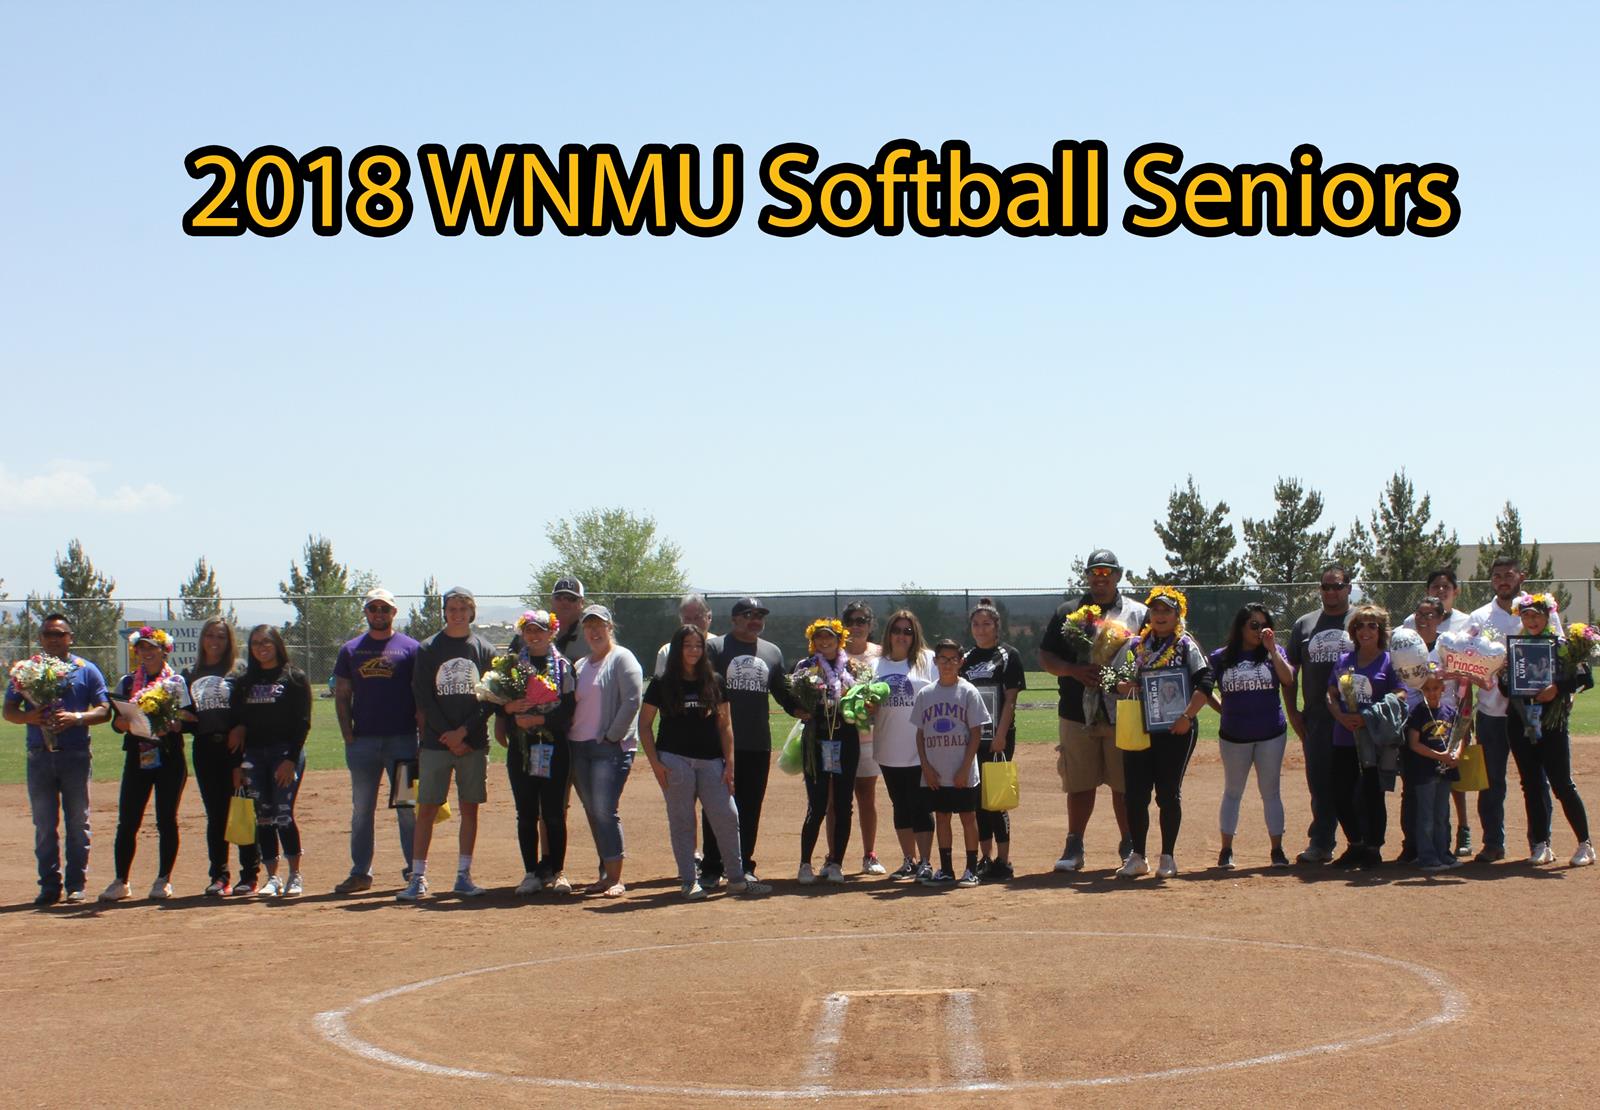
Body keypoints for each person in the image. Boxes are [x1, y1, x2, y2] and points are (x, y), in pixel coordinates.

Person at [639, 625, 772, 898]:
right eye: (687, 645)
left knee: (727, 815)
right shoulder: (662, 682)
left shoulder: (715, 680)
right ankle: (690, 881)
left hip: (711, 760)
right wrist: (656, 764)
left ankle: (736, 879)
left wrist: (730, 763)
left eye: (698, 646)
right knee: (683, 820)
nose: (693, 651)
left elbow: (725, 725)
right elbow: (644, 726)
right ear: (678, 648)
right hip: (675, 760)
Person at [1038, 550, 1146, 872]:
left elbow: (1145, 658)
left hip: (1122, 711)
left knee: (1124, 784)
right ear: (1087, 576)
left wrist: (1113, 680)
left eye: (1107, 573)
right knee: (1079, 783)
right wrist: (1073, 670)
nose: (1101, 579)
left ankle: (1130, 844)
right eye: (1094, 574)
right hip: (1076, 712)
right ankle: (1074, 846)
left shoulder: (1136, 613)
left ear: (1118, 575)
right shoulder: (1069, 612)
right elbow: (1046, 656)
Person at [4, 613, 112, 905]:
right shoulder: (26, 671)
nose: (53, 639)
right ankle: (49, 885)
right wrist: (31, 717)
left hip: (75, 754)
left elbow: (104, 710)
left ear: (70, 638)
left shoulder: (86, 670)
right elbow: (9, 710)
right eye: (48, 634)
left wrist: (76, 717)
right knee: (44, 824)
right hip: (39, 755)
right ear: (40, 639)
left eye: (59, 634)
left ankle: (76, 884)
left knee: (78, 822)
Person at [399, 587, 497, 902]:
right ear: (444, 612)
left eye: (462, 608)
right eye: (451, 608)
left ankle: (463, 876)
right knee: (425, 808)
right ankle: (418, 877)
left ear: (471, 612)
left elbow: (489, 698)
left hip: (473, 743)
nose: (456, 614)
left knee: (470, 808)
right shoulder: (429, 648)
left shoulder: (483, 649)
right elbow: (423, 697)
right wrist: (448, 735)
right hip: (436, 744)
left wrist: (464, 733)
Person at [700, 597, 802, 885]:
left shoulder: (772, 652)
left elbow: (782, 692)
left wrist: (803, 709)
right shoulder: (716, 648)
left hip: (757, 743)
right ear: (735, 619)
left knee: (750, 806)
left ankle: (744, 863)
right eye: (748, 615)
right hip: (719, 743)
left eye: (759, 615)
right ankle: (711, 866)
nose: (755, 620)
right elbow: (705, 687)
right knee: (716, 805)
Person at [1114, 587, 1213, 879]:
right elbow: (1117, 679)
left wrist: (1187, 717)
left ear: (1177, 615)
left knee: (1168, 793)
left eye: (1166, 611)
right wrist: (1121, 686)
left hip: (1175, 729)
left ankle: (1167, 856)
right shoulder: (1135, 645)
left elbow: (1205, 681)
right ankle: (1138, 856)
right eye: (1155, 610)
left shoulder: (1185, 645)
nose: (1160, 616)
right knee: (1134, 794)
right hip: (1140, 728)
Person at [1469, 555, 1556, 863]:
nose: (1502, 580)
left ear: (1522, 576)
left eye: (1508, 574)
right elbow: (1467, 658)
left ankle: (1540, 842)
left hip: (1533, 712)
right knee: (1491, 781)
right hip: (1493, 712)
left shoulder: (1541, 610)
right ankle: (1493, 842)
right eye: (1497, 576)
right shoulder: (1480, 617)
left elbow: (1558, 653)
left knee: (1535, 779)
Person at [332, 587, 420, 894]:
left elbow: (419, 695)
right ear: (366, 612)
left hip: (404, 740)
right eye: (373, 608)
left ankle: (415, 870)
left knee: (407, 808)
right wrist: (347, 733)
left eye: (384, 608)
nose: (379, 613)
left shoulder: (411, 648)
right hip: (364, 743)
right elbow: (342, 694)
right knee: (361, 809)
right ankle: (361, 872)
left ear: (394, 612)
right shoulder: (351, 650)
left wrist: (421, 733)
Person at [101, 627, 191, 901]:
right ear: (136, 651)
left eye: (153, 647)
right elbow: (116, 722)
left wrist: (173, 724)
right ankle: (121, 881)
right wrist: (122, 723)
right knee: (128, 820)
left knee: (166, 819)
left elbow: (188, 717)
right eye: (142, 647)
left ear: (164, 650)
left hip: (169, 757)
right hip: (137, 756)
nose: (147, 652)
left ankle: (163, 879)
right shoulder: (127, 683)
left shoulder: (175, 681)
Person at [1503, 593, 1592, 867]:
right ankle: (1541, 844)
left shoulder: (1564, 646)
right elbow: (1505, 688)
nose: (1531, 620)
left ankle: (1585, 844)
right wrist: (1503, 676)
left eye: (1536, 615)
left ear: (1547, 616)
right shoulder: (1514, 648)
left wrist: (1557, 689)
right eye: (1526, 615)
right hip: (1521, 721)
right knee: (1531, 784)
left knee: (1562, 783)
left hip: (1553, 722)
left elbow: (1585, 679)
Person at [1206, 604, 1294, 869]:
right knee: (1233, 791)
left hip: (1270, 734)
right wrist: (1224, 709)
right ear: (1241, 627)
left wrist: (1272, 649)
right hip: (1234, 735)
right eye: (1254, 625)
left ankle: (1277, 850)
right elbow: (1205, 688)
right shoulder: (1221, 657)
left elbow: (1288, 680)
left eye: (1264, 626)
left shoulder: (1274, 653)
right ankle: (1226, 850)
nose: (1259, 631)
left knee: (1271, 792)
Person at [496, 609, 576, 895]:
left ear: (551, 632)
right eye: (529, 629)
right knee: (526, 813)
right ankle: (530, 872)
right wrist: (507, 709)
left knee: (554, 813)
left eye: (540, 630)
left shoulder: (564, 666)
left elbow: (568, 711)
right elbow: (496, 702)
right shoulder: (513, 665)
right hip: (522, 747)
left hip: (554, 745)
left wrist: (540, 719)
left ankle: (557, 872)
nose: (534, 635)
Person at [229, 625, 312, 897]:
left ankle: (295, 875)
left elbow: (303, 723)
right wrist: (238, 764)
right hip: (254, 755)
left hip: (284, 753)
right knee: (263, 816)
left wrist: (290, 758)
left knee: (283, 813)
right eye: (255, 643)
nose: (261, 647)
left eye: (266, 642)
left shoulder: (294, 678)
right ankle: (272, 877)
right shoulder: (245, 682)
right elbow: (239, 724)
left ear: (277, 644)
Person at [569, 605, 643, 897]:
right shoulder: (581, 665)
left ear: (610, 627)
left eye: (600, 625)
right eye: (589, 626)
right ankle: (604, 873)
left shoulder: (622, 659)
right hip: (579, 746)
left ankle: (615, 878)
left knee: (604, 810)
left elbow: (633, 700)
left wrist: (612, 736)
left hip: (608, 747)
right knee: (592, 811)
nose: (594, 631)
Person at [793, 618, 873, 884]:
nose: (824, 642)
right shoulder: (806, 667)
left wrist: (866, 702)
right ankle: (805, 863)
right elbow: (794, 699)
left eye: (829, 637)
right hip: (816, 739)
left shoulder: (854, 667)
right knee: (816, 804)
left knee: (842, 803)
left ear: (839, 639)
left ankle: (836, 862)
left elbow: (866, 700)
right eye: (819, 638)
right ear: (812, 641)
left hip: (846, 738)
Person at [1285, 563, 1355, 864]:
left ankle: (1361, 841)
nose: (1331, 591)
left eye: (1337, 586)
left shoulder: (1362, 620)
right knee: (1320, 781)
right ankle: (1322, 841)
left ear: (1348, 588)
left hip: (1356, 717)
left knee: (1356, 782)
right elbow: (1289, 674)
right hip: (1317, 717)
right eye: (1325, 586)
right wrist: (1293, 713)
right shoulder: (1305, 624)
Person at [1325, 604, 1402, 870]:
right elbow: (1331, 693)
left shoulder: (1388, 661)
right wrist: (1340, 716)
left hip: (1374, 738)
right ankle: (1355, 843)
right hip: (1344, 736)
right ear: (1353, 631)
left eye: (1372, 625)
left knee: (1372, 794)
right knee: (1341, 793)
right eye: (1360, 625)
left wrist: (1371, 714)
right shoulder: (1345, 661)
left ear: (1380, 630)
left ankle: (1373, 848)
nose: (1365, 631)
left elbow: (1401, 694)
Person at [1401, 596, 1474, 860]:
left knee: (1443, 794)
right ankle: (1414, 847)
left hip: (1446, 718)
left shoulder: (1448, 646)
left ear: (1441, 618)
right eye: (1420, 614)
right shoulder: (1406, 644)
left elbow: (1466, 681)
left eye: (1430, 615)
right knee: (1414, 789)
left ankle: (1441, 848)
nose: (1424, 619)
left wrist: (1464, 721)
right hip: (1415, 718)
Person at [913, 639, 991, 888]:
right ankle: (946, 868)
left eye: (952, 659)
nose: (947, 664)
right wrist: (925, 766)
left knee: (968, 817)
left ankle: (970, 869)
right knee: (942, 817)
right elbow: (920, 733)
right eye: (942, 659)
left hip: (962, 771)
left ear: (961, 662)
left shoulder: (968, 692)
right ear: (935, 662)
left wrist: (965, 768)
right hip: (936, 771)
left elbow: (976, 733)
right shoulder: (926, 694)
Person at [182, 617, 251, 895]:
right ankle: (219, 875)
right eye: (210, 635)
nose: (215, 641)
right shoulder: (191, 672)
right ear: (202, 640)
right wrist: (179, 718)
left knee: (243, 810)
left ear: (229, 641)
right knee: (216, 815)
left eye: (221, 636)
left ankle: (249, 874)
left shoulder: (239, 671)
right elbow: (188, 720)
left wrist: (242, 728)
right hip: (205, 749)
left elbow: (249, 711)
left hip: (236, 747)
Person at [960, 599, 1025, 880]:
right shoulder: (966, 658)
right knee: (977, 799)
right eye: (976, 623)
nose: (981, 628)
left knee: (997, 798)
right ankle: (984, 858)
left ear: (997, 626)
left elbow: (1010, 699)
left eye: (987, 623)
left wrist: (1000, 735)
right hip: (973, 737)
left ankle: (1004, 860)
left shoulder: (1009, 655)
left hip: (998, 737)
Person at [872, 609, 939, 880]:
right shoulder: (878, 665)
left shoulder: (929, 660)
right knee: (900, 805)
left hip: (919, 749)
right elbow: (869, 706)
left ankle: (926, 862)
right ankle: (908, 860)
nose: (902, 636)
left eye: (907, 631)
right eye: (897, 630)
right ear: (889, 634)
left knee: (921, 805)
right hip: (888, 749)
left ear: (915, 635)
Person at [840, 600, 885, 874]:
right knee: (836, 799)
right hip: (836, 737)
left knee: (866, 795)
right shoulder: (832, 651)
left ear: (870, 626)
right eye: (851, 621)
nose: (856, 626)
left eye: (862, 621)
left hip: (869, 737)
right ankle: (834, 857)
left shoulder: (881, 655)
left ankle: (869, 854)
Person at [1405, 666, 1462, 873]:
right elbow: (1414, 744)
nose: (1432, 692)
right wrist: (1440, 756)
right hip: (1425, 772)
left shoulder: (1449, 712)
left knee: (1442, 814)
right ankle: (1427, 856)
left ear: (1443, 689)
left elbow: (1460, 736)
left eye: (1435, 688)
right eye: (1427, 689)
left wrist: (1455, 753)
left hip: (1445, 771)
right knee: (1426, 816)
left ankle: (1443, 852)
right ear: (1422, 691)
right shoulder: (1418, 713)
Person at [653, 593, 711, 678]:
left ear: (709, 617)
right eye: (687, 618)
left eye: (697, 617)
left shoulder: (719, 647)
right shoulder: (667, 651)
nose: (692, 623)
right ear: (681, 620)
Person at [1401, 567, 1473, 633]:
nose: (1441, 590)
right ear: (1427, 592)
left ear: (1455, 592)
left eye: (1446, 586)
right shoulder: (1412, 622)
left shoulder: (1466, 622)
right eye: (1436, 586)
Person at [551, 577, 588, 663]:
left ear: (582, 602)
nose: (564, 602)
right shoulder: (537, 629)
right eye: (558, 598)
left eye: (571, 598)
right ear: (551, 601)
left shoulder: (590, 632)